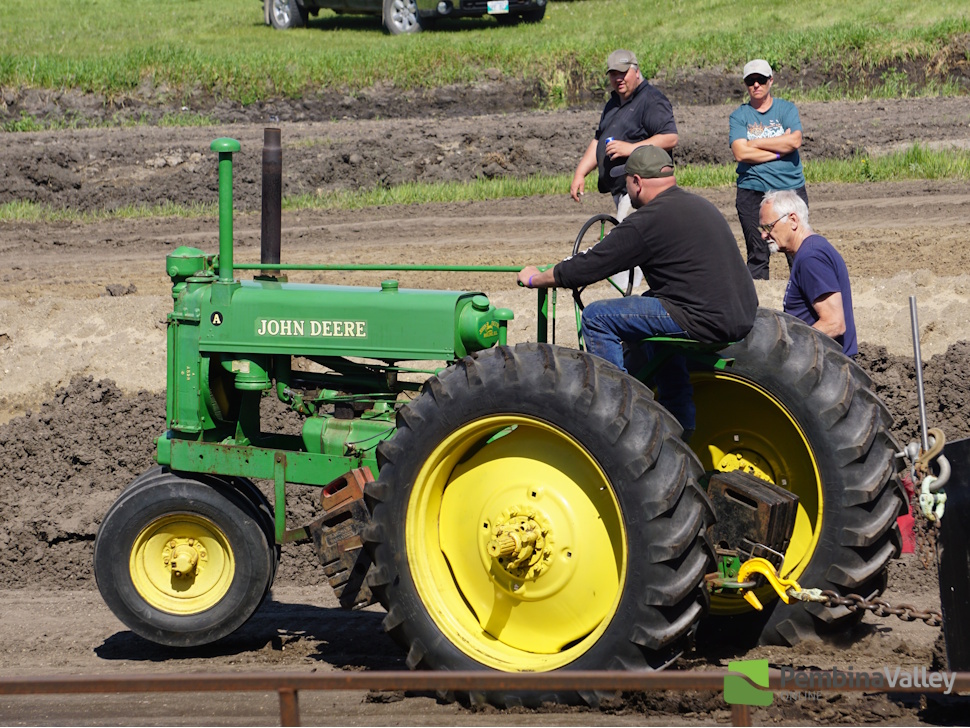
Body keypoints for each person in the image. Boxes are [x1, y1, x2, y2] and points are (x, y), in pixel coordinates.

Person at [519, 146, 758, 439]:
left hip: (701, 316)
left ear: (637, 182)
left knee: (597, 317)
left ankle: (615, 415)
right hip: (741, 314)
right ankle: (682, 420)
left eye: (627, 181)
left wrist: (535, 278)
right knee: (651, 311)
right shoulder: (699, 205)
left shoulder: (648, 221)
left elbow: (590, 265)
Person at [570, 49, 678, 223]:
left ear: (636, 71)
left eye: (623, 73)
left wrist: (629, 149)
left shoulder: (651, 100)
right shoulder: (613, 103)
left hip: (641, 190)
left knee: (630, 241)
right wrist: (580, 174)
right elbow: (598, 140)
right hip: (621, 189)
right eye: (613, 74)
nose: (618, 78)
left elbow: (670, 138)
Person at [730, 59, 808, 280]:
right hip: (752, 190)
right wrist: (777, 149)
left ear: (770, 81)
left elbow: (794, 142)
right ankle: (758, 307)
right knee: (757, 254)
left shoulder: (786, 109)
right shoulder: (739, 115)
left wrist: (753, 143)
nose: (756, 85)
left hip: (790, 189)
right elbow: (740, 153)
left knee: (797, 250)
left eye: (761, 80)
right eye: (750, 81)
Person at [759, 189, 857, 357]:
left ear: (793, 220)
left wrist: (788, 350)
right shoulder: (811, 250)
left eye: (768, 227)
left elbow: (834, 323)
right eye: (761, 228)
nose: (763, 235)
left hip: (826, 369)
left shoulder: (811, 257)